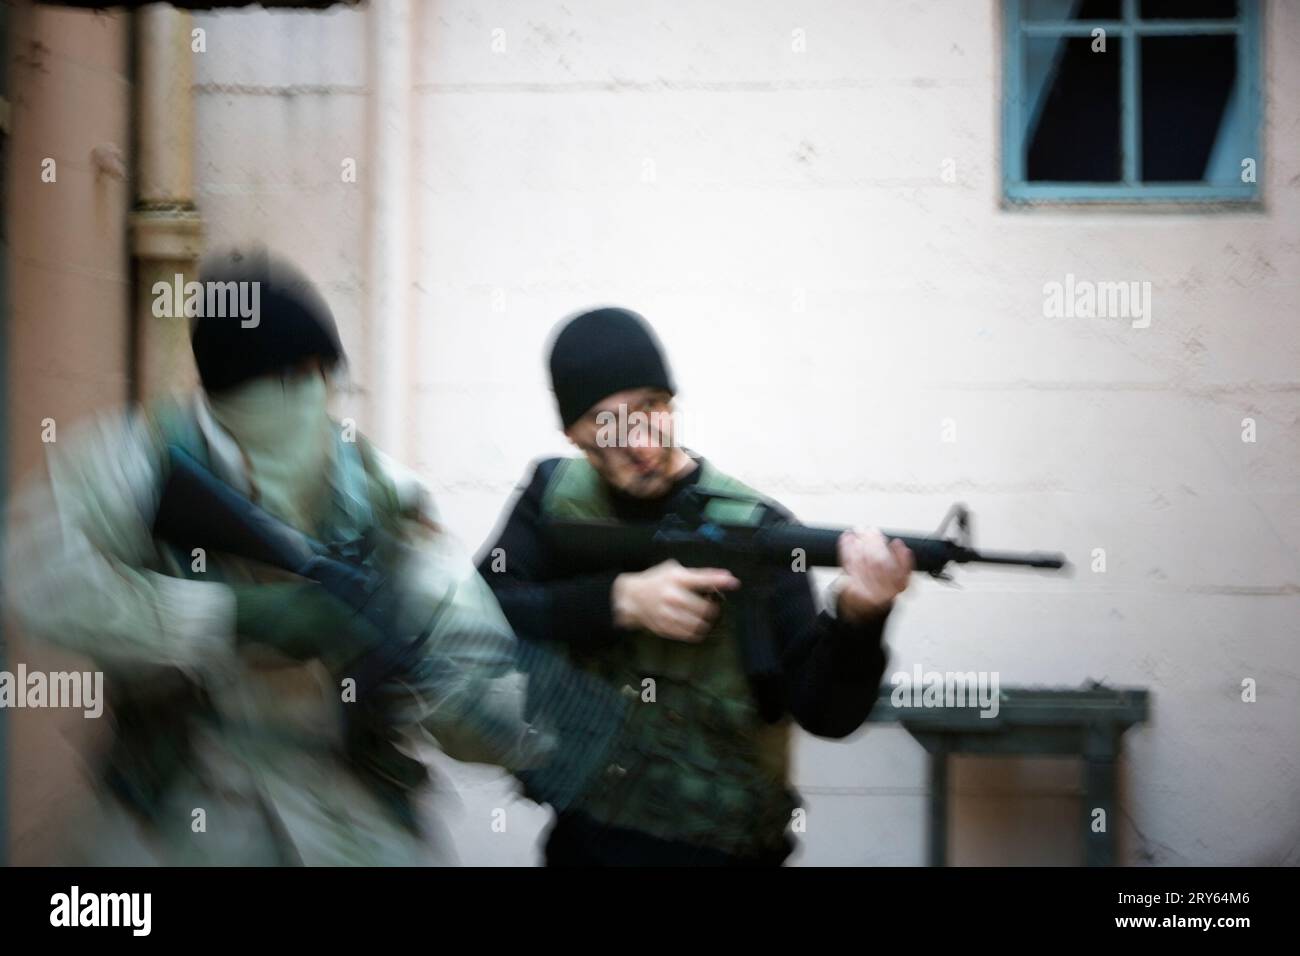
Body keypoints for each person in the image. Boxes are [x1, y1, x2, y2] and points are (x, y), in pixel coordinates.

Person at [5, 250, 542, 865]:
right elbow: (37, 578)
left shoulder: (383, 495)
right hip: (176, 822)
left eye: (314, 373)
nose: (304, 393)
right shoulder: (137, 464)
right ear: (221, 390)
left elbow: (479, 670)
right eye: (282, 376)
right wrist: (232, 616)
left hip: (350, 823)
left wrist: (421, 686)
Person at [477, 306, 913, 866]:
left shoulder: (758, 527)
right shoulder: (553, 500)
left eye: (651, 409)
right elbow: (478, 613)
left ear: (672, 404)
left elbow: (826, 715)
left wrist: (859, 619)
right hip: (586, 848)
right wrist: (618, 602)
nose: (639, 442)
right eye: (608, 424)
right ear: (573, 434)